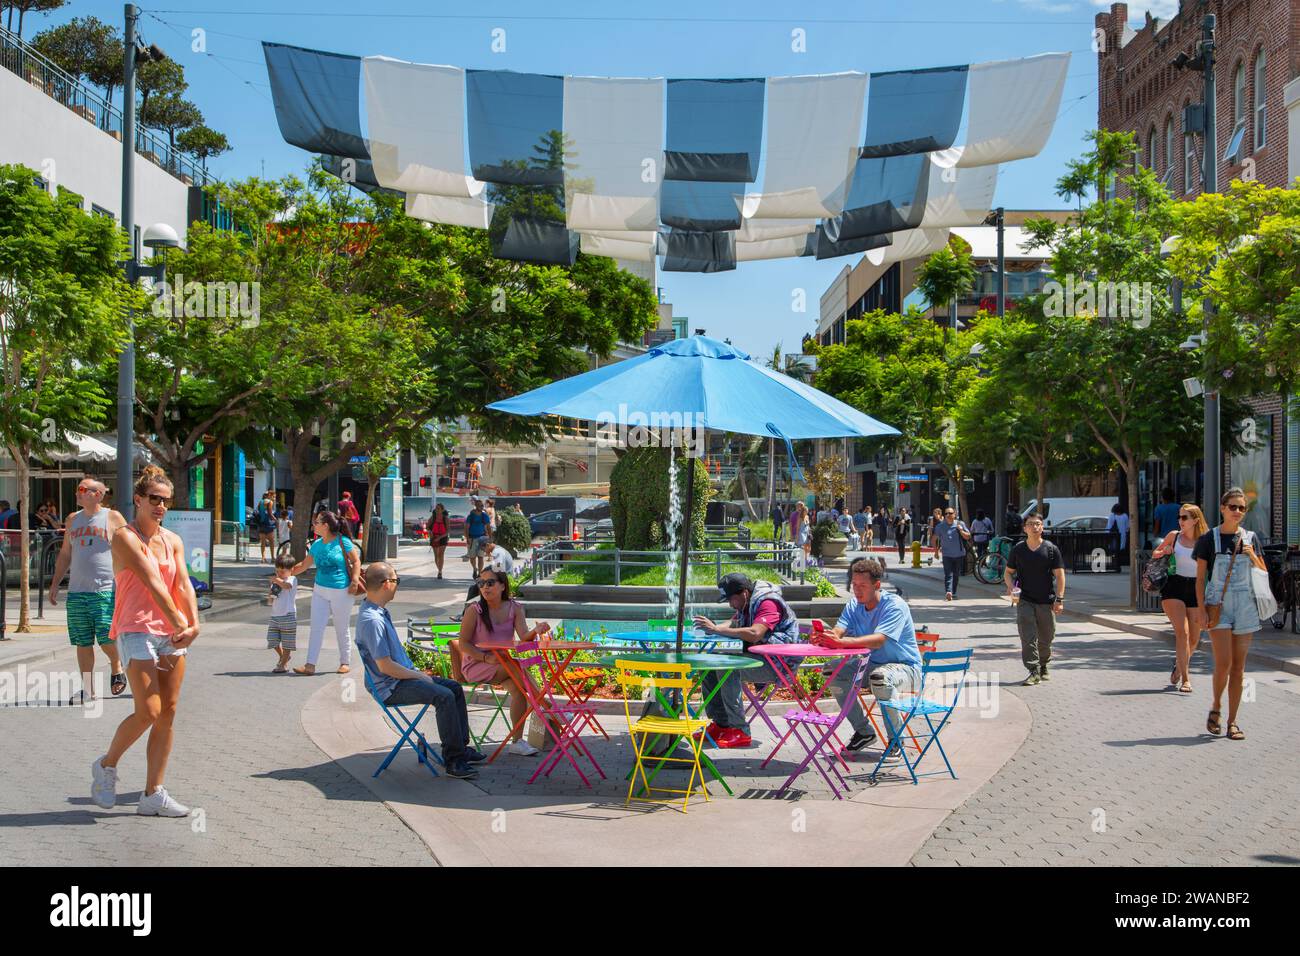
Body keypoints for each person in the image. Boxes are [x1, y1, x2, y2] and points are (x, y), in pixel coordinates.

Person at [91, 465, 200, 817]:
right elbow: (152, 581)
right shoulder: (125, 536)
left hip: (169, 633)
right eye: (153, 499)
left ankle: (153, 793)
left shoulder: (173, 540)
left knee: (168, 711)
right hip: (135, 628)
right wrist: (180, 621)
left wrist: (194, 625)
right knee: (148, 710)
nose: (160, 506)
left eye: (165, 500)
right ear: (138, 499)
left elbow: (182, 583)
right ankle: (107, 765)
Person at [355, 562, 484, 779]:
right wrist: (420, 676)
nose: (398, 586)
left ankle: (460, 750)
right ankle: (453, 761)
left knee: (454, 688)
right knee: (443, 696)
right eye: (397, 581)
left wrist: (418, 675)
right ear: (387, 584)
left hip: (400, 679)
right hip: (390, 687)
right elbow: (385, 666)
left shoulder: (377, 611)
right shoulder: (372, 620)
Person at [814, 556, 922, 757]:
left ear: (877, 585)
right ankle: (863, 732)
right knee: (832, 670)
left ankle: (896, 739)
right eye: (854, 584)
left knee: (879, 678)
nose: (857, 589)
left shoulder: (894, 606)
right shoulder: (854, 605)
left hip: (906, 669)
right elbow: (839, 630)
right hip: (871, 665)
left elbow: (878, 640)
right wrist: (826, 637)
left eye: (863, 585)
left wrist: (840, 642)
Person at [691, 573, 802, 748]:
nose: (730, 604)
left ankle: (740, 730)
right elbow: (733, 623)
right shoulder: (746, 602)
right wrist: (713, 629)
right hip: (760, 658)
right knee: (709, 663)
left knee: (727, 667)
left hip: (779, 665)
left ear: (743, 593)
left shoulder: (767, 603)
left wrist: (716, 630)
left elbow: (755, 633)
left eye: (731, 599)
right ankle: (721, 724)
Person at [451, 568, 551, 757]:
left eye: (490, 583)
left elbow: (523, 638)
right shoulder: (474, 610)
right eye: (481, 583)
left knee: (519, 690)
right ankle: (547, 706)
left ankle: (517, 741)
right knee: (513, 664)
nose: (485, 587)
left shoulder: (515, 608)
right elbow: (463, 644)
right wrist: (486, 658)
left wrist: (536, 630)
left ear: (502, 586)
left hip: (502, 665)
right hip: (477, 664)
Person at [1195, 487, 1268, 742]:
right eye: (1233, 507)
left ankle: (1232, 722)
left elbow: (1262, 571)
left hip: (1245, 606)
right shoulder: (1208, 539)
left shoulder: (1250, 538)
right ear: (1223, 508)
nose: (1237, 511)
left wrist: (1251, 554)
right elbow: (1201, 578)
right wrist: (1201, 609)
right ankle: (1216, 705)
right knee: (1224, 663)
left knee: (1239, 669)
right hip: (1219, 605)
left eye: (1242, 508)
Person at [49, 478, 127, 703]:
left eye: (84, 490)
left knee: (105, 638)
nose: (78, 493)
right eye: (78, 489)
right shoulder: (73, 519)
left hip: (105, 588)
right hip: (76, 591)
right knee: (82, 641)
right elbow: (65, 554)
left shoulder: (112, 517)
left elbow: (129, 548)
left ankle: (116, 665)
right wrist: (55, 584)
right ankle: (88, 688)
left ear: (99, 495)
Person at [289, 510, 361, 676]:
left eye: (317, 523)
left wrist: (355, 581)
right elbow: (305, 564)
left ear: (326, 526)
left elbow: (356, 561)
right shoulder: (316, 544)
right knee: (316, 627)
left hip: (342, 590)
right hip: (320, 590)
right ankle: (310, 665)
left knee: (341, 627)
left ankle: (345, 662)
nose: (314, 525)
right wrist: (286, 572)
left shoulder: (343, 542)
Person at [1151, 503, 1208, 693]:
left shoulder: (1205, 540)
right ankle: (1186, 679)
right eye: (1179, 517)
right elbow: (1155, 553)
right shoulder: (1174, 537)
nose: (1180, 521)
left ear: (1195, 520)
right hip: (1173, 587)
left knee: (1193, 639)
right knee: (1182, 633)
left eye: (1185, 518)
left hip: (1195, 589)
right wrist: (1164, 551)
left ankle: (1179, 665)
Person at [1004, 513, 1065, 686]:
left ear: (1042, 527)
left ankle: (1044, 664)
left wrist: (1059, 599)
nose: (1035, 527)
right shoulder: (1018, 550)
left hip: (1046, 601)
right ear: (1025, 528)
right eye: (1031, 524)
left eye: (1038, 524)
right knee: (1028, 637)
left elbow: (1060, 576)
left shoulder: (1051, 549)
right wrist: (1011, 587)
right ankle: (1033, 670)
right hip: (1025, 600)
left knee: (1047, 637)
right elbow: (1008, 572)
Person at [266, 553, 299, 673]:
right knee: (272, 639)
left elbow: (286, 586)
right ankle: (283, 656)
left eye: (282, 571)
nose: (279, 573)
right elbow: (272, 597)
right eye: (277, 570)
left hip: (288, 614)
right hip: (275, 614)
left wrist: (276, 580)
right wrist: (270, 595)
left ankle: (283, 664)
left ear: (291, 570)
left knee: (287, 641)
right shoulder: (276, 581)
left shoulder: (292, 579)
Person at [932, 507, 973, 601]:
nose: (948, 515)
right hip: (946, 555)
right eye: (946, 513)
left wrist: (961, 530)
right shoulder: (940, 526)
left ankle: (953, 592)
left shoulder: (960, 524)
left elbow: (968, 536)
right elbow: (934, 539)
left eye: (950, 513)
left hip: (959, 554)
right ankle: (948, 591)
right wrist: (936, 552)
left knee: (956, 574)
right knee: (948, 574)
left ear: (954, 514)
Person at [465, 497, 492, 577]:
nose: (481, 507)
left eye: (482, 506)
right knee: (472, 557)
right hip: (472, 538)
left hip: (482, 538)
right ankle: (474, 568)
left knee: (480, 556)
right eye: (480, 506)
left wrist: (490, 537)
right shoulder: (471, 516)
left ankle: (480, 573)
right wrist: (467, 538)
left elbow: (488, 526)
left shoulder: (484, 515)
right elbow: (466, 527)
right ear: (476, 506)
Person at [428, 503, 451, 580]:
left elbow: (447, 531)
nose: (437, 510)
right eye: (436, 508)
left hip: (443, 537)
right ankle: (439, 569)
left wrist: (440, 537)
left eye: (438, 508)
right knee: (436, 555)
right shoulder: (433, 517)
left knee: (441, 554)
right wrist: (430, 532)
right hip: (434, 537)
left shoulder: (446, 519)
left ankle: (440, 571)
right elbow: (428, 527)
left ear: (442, 510)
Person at [255, 491, 277, 563]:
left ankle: (263, 558)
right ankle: (273, 558)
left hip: (261, 524)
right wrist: (276, 520)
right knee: (271, 542)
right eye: (273, 496)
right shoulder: (270, 502)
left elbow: (258, 511)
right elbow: (270, 514)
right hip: (268, 524)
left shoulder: (260, 502)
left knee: (263, 542)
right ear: (269, 495)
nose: (274, 498)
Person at [1106, 502, 1130, 568]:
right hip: (1122, 536)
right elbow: (1127, 527)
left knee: (1113, 549)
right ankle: (1119, 563)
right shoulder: (1125, 516)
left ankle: (1114, 563)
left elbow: (1109, 526)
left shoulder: (1112, 515)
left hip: (1114, 535)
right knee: (1120, 549)